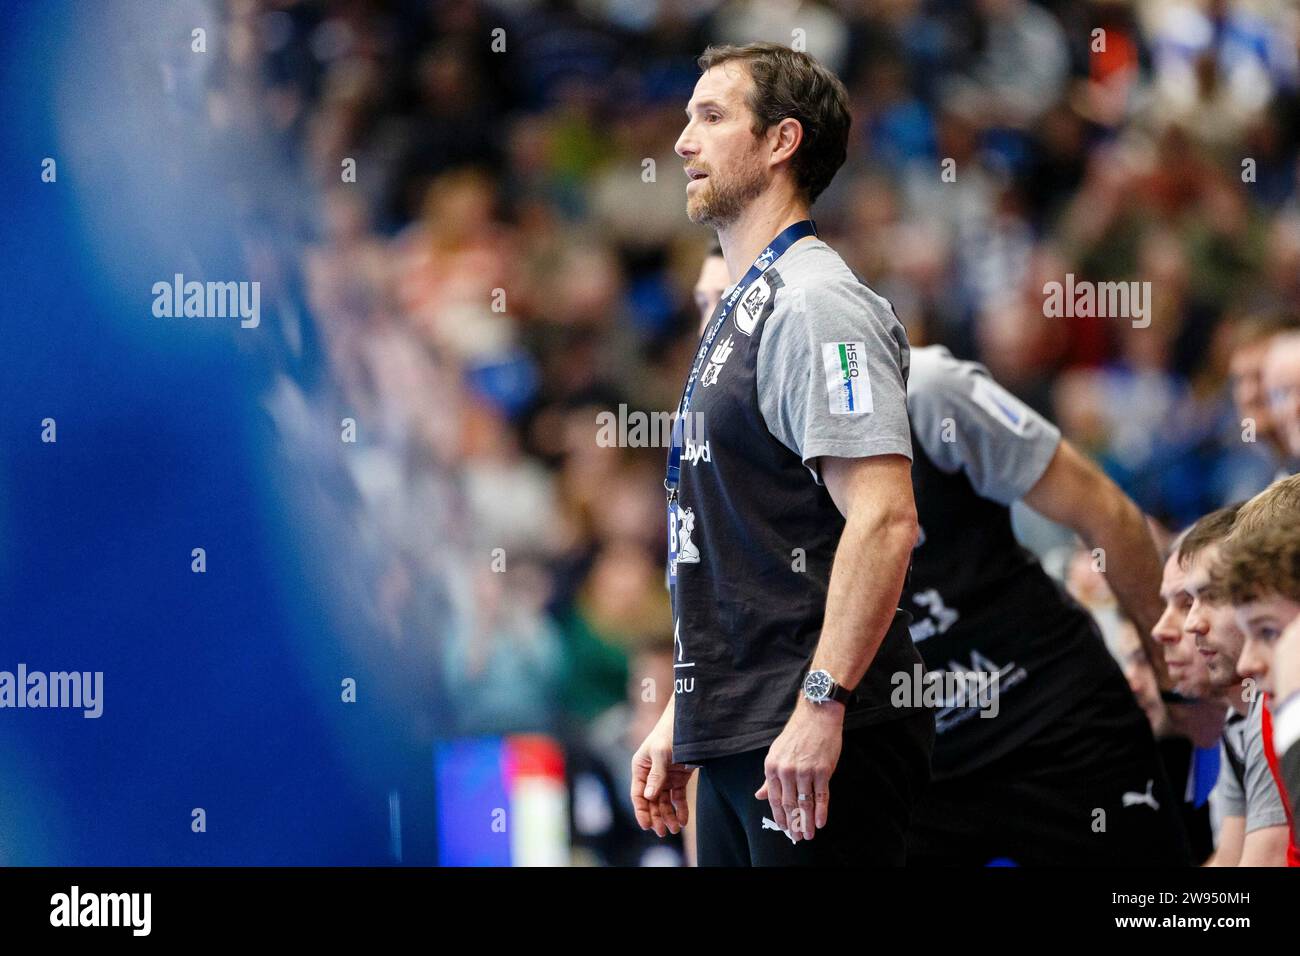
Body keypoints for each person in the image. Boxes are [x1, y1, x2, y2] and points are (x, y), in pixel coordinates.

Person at [689, 244, 1189, 864]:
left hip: (1050, 718)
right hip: (915, 760)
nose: (720, 324)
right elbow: (715, 631)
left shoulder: (924, 389)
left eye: (735, 302)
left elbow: (1102, 510)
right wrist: (672, 731)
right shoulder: (716, 455)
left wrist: (1174, 680)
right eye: (708, 307)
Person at [630, 42, 933, 866]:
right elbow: (739, 543)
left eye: (712, 116)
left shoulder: (813, 302)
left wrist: (824, 703)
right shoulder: (742, 302)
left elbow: (884, 518)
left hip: (811, 733)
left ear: (780, 142)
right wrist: (684, 714)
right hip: (742, 727)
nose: (684, 142)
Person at [1178, 506, 1290, 866]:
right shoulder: (1245, 715)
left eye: (1212, 595)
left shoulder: (1272, 707)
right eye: (1186, 602)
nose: (1188, 624)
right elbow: (1230, 857)